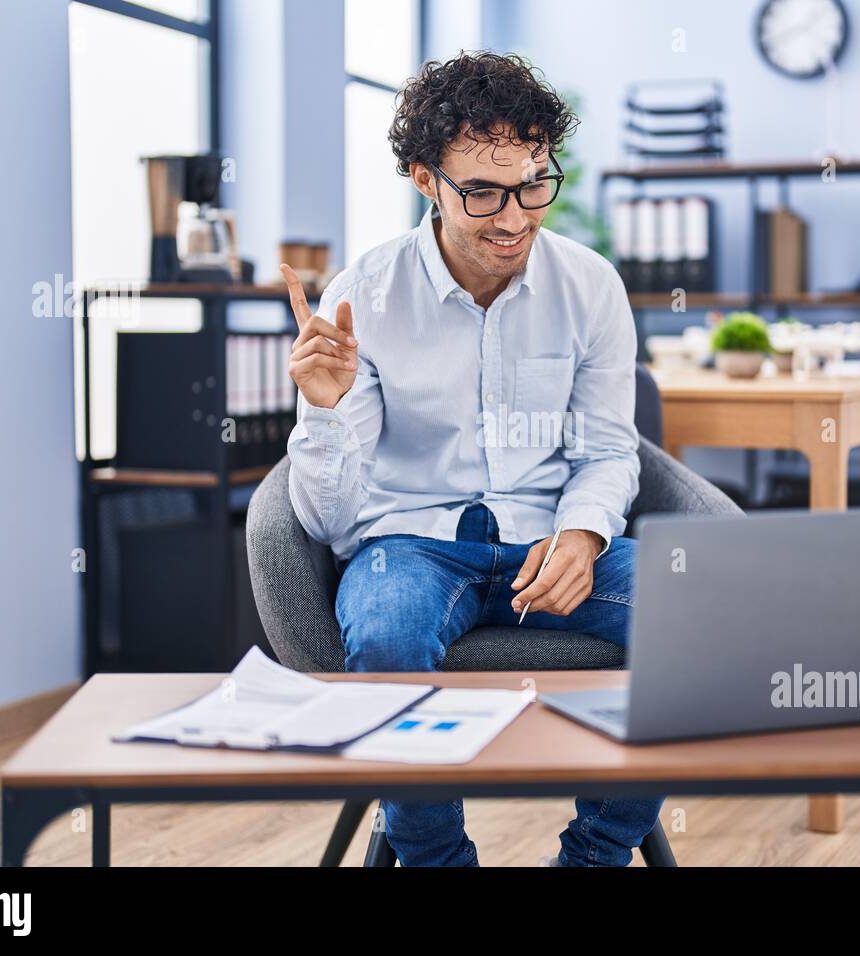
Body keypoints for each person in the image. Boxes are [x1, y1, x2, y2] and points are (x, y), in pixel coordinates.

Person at [282, 51, 662, 867]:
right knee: (387, 635)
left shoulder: (590, 286)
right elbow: (324, 518)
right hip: (410, 545)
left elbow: (606, 449)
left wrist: (585, 535)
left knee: (701, 621)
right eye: (482, 192)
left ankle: (594, 856)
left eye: (532, 184)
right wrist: (322, 414)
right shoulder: (367, 294)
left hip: (547, 539)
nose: (515, 217)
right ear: (425, 178)